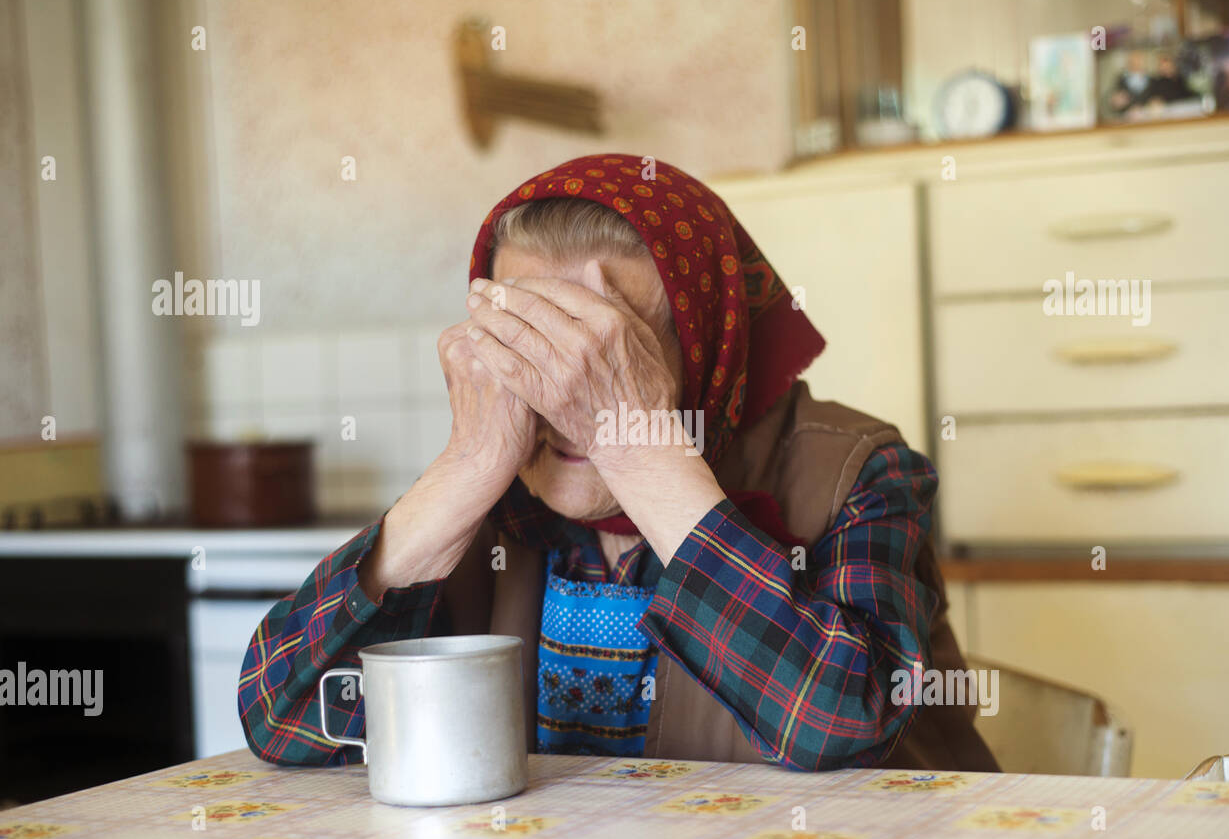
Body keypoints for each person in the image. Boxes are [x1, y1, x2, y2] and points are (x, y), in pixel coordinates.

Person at [238, 154, 999, 773]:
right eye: (531, 341)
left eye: (605, 350)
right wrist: (465, 468)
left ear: (708, 351)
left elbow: (839, 721)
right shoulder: (492, 492)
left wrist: (633, 443)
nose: (565, 392)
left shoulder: (863, 473)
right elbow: (281, 719)